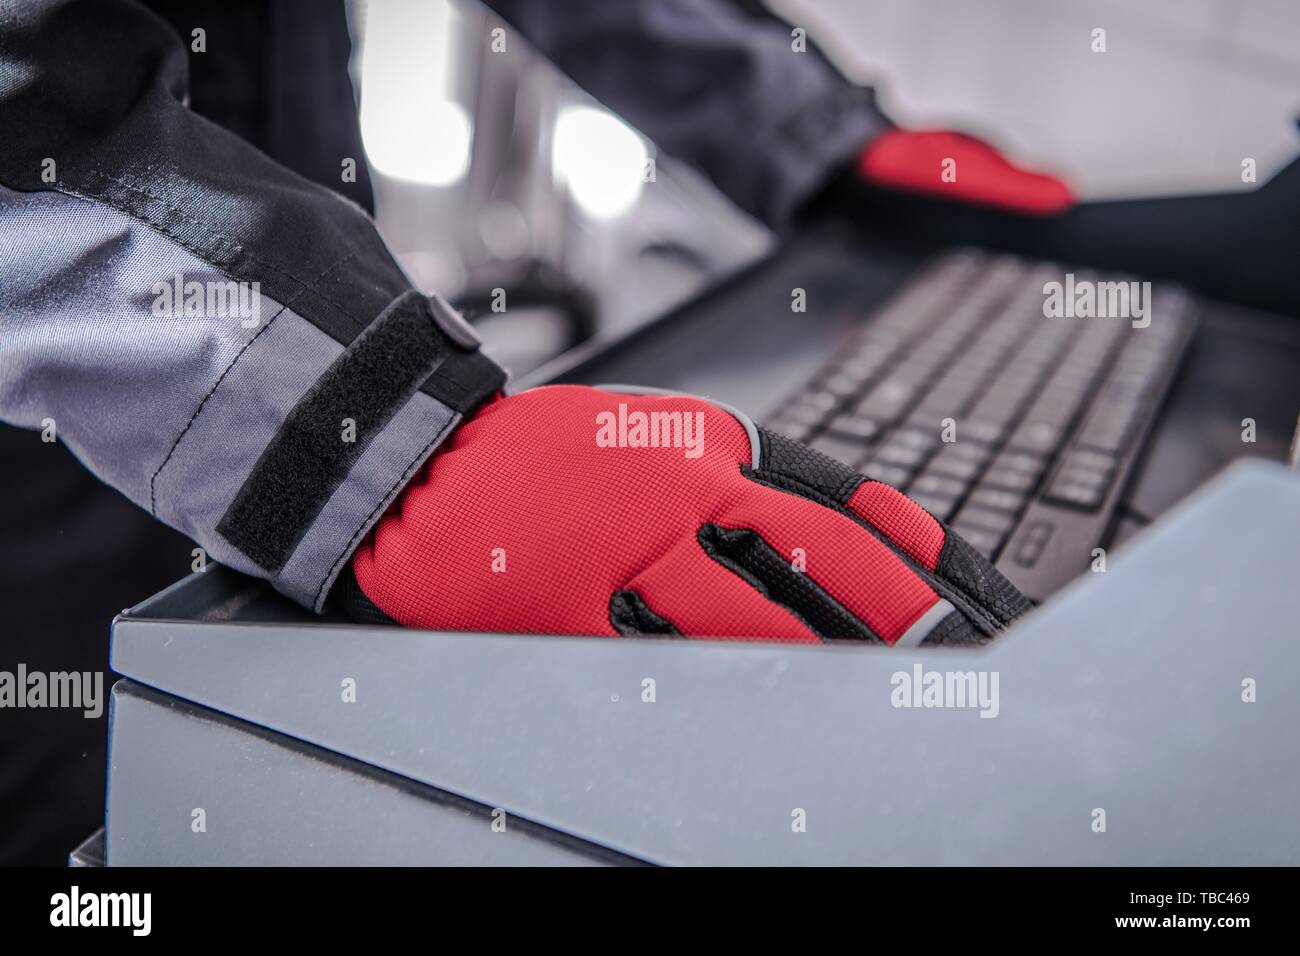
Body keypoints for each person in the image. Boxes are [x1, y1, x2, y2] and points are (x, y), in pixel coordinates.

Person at [3, 0, 1281, 864]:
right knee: (102, 786)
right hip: (47, 412)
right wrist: (361, 439)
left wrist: (810, 136)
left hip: (276, 256)